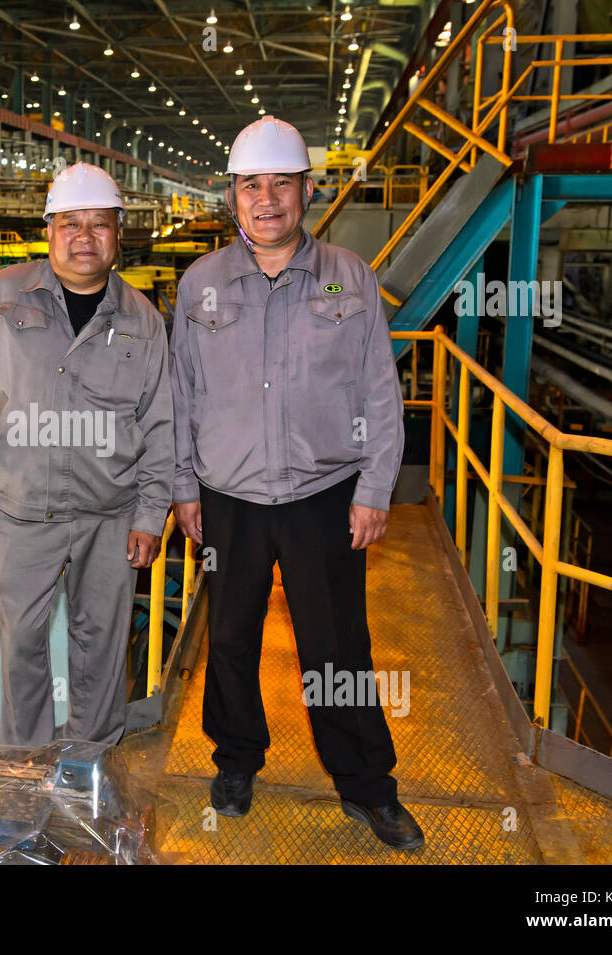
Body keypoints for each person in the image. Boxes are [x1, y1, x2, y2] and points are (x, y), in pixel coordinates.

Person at [169, 117, 422, 850]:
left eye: (282, 183)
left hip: (324, 498)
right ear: (232, 197)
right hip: (229, 499)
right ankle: (238, 759)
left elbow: (380, 390)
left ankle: (367, 785)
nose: (268, 198)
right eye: (252, 185)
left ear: (307, 190)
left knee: (337, 645)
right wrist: (185, 485)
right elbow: (182, 396)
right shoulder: (200, 286)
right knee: (233, 637)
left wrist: (376, 487)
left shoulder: (351, 277)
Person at [0, 161, 173, 747]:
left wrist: (149, 515)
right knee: (22, 651)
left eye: (99, 225)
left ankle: (89, 773)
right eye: (70, 224)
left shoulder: (142, 321)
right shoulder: (3, 295)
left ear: (118, 235)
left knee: (102, 651)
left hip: (110, 516)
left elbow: (161, 426)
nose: (84, 237)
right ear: (49, 231)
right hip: (22, 509)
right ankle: (24, 777)